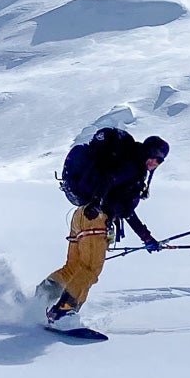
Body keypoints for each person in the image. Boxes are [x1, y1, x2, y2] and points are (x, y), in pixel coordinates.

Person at [37, 131, 168, 326]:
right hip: (95, 218)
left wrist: (146, 238)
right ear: (148, 152)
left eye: (160, 161)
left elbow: (126, 211)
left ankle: (39, 298)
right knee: (90, 269)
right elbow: (109, 179)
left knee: (73, 268)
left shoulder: (128, 166)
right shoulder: (132, 167)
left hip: (81, 215)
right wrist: (97, 203)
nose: (156, 163)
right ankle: (64, 312)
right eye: (155, 157)